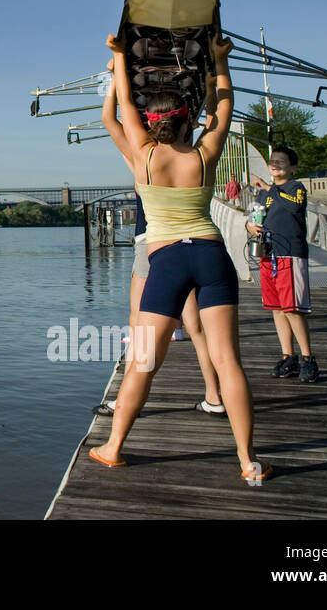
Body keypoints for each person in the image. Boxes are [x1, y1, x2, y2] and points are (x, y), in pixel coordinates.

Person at [89, 31, 270, 484]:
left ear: (151, 123)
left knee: (144, 361)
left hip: (166, 260)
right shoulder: (206, 156)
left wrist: (116, 66)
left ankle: (112, 447)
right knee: (229, 360)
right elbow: (223, 108)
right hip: (211, 254)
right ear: (189, 120)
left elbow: (112, 116)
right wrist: (220, 60)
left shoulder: (144, 157)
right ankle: (248, 461)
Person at [94, 57, 225, 418]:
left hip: (151, 245)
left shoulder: (142, 157)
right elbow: (217, 118)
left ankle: (124, 403)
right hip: (199, 245)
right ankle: (214, 395)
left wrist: (112, 77)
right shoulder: (194, 157)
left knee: (140, 326)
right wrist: (214, 80)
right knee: (196, 325)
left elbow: (111, 118)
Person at [248, 146, 318, 382]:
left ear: (293, 167)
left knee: (293, 308)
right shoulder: (263, 194)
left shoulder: (296, 188)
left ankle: (308, 358)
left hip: (290, 254)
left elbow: (293, 207)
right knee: (276, 308)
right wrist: (250, 225)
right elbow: (256, 214)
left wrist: (269, 188)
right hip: (268, 254)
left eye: (281, 161)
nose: (275, 165)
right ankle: (289, 356)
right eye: (272, 161)